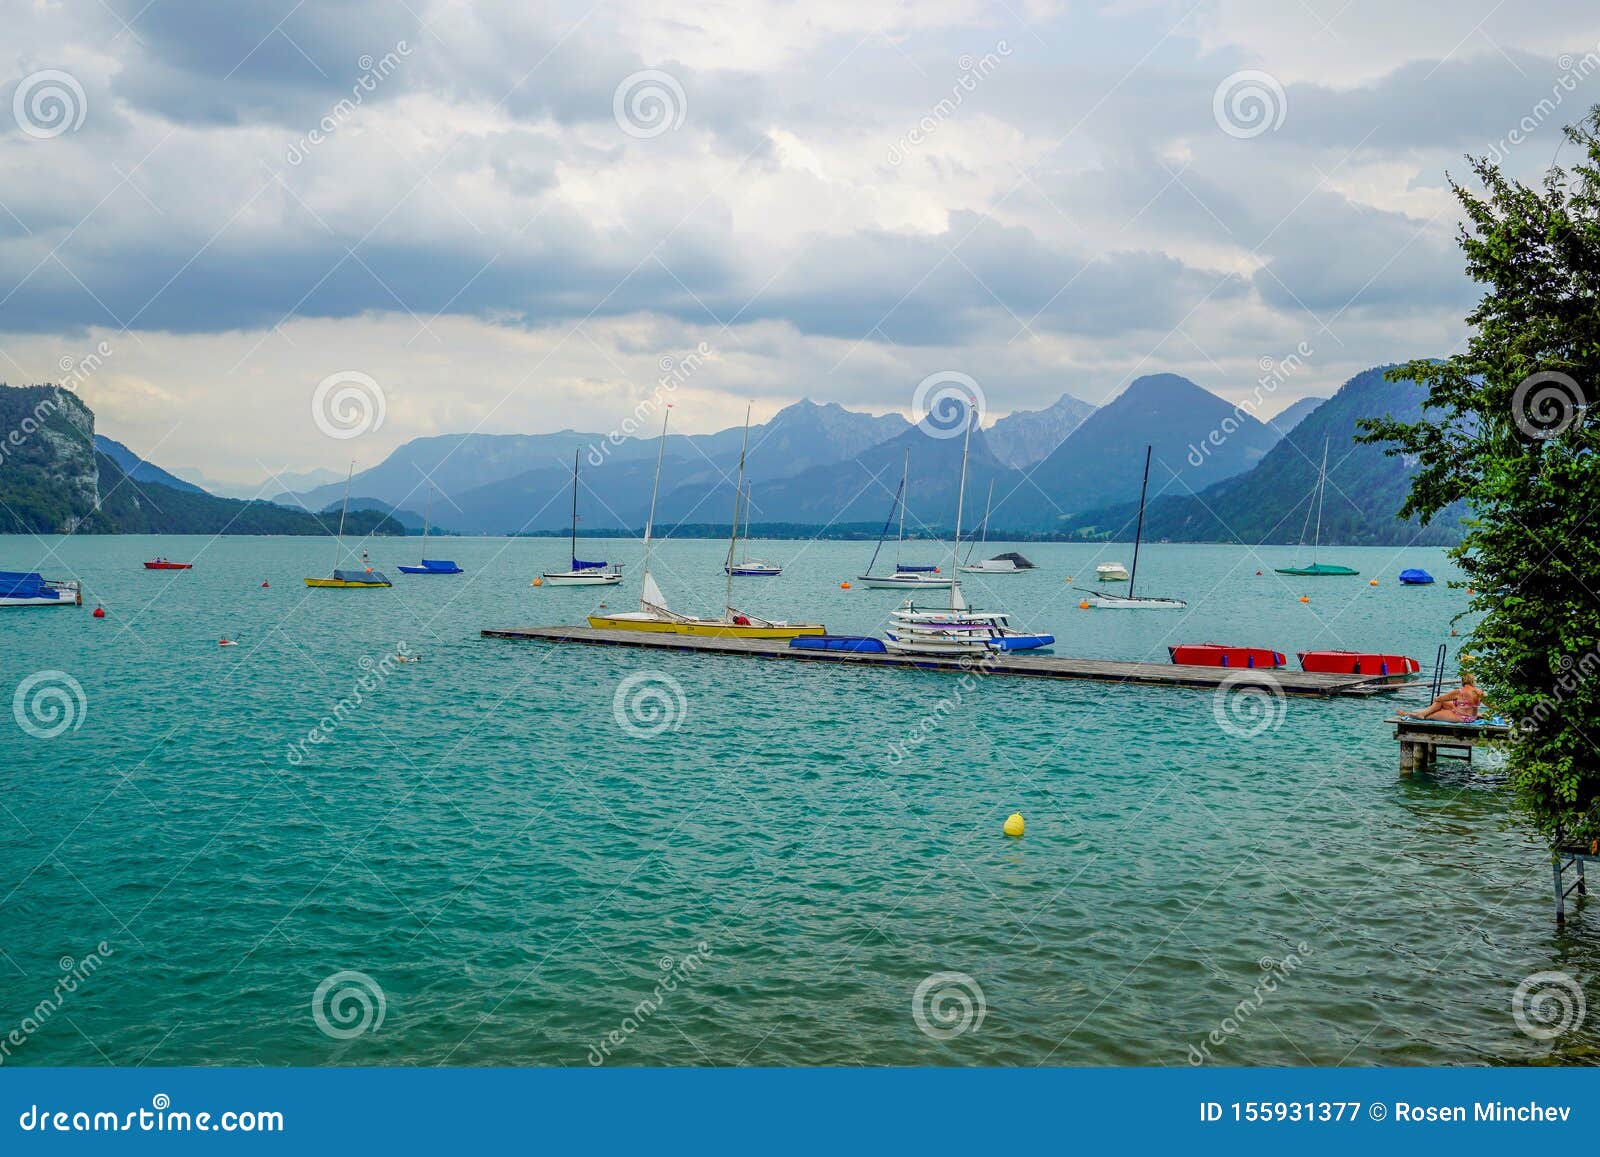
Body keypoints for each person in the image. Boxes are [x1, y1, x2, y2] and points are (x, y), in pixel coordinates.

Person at [1402, 673, 1488, 722]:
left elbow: (1439, 699)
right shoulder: (1480, 692)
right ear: (1473, 681)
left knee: (1431, 715)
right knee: (1443, 704)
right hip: (1472, 717)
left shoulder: (1458, 692)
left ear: (1462, 681)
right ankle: (1420, 714)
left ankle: (1418, 715)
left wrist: (1436, 699)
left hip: (1461, 717)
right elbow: (1491, 705)